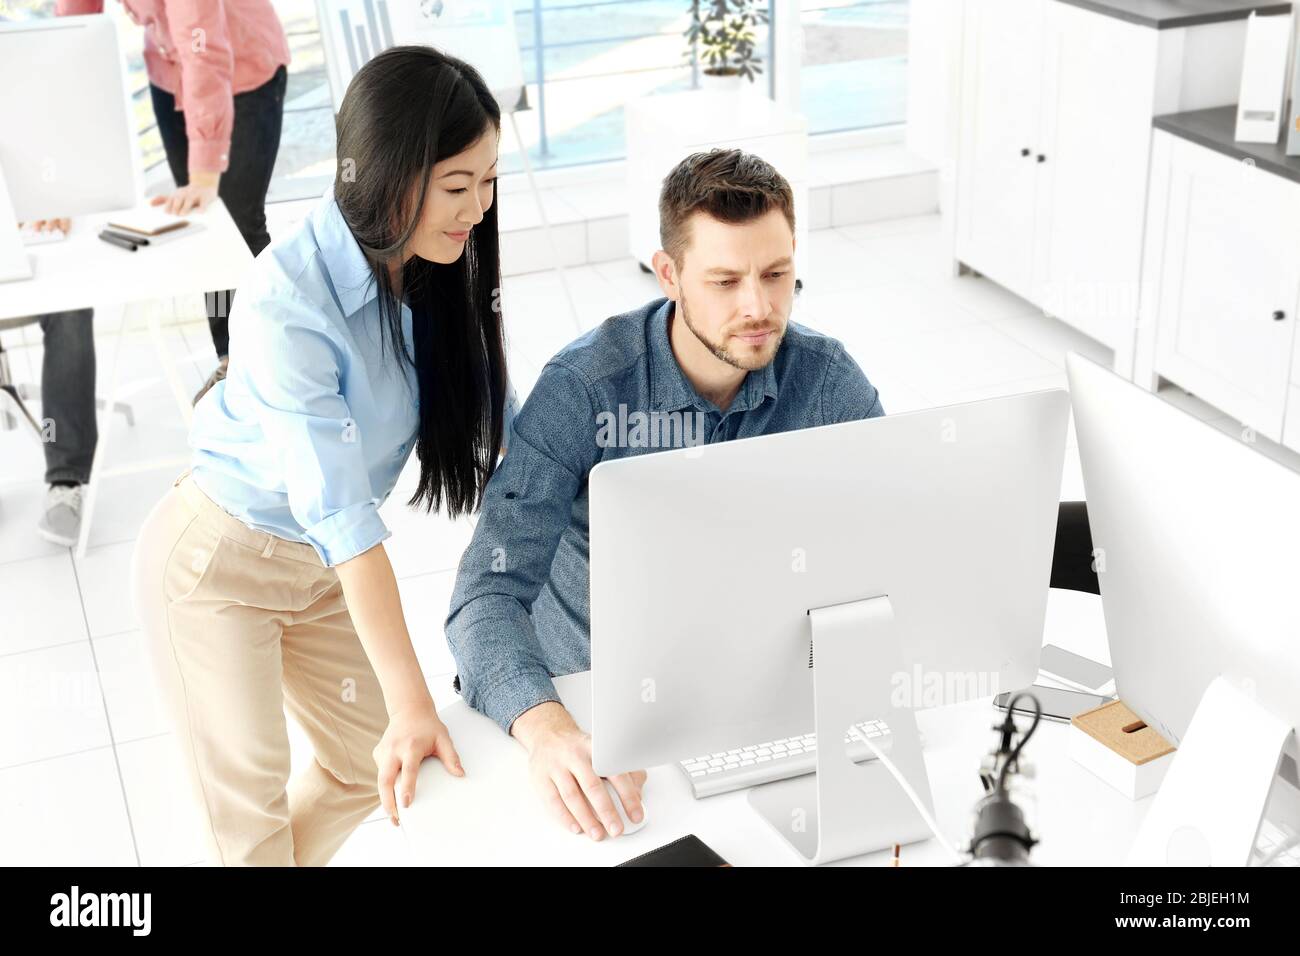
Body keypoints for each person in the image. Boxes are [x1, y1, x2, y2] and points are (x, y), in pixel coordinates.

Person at [131, 47, 509, 866]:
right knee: (249, 826)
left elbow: (502, 422)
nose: (477, 209)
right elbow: (345, 518)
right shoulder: (287, 299)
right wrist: (416, 700)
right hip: (217, 569)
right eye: (457, 187)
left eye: (488, 182)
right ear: (389, 175)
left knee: (366, 767)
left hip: (314, 573)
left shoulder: (431, 270)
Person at [444, 149, 885, 842]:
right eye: (725, 280)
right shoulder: (586, 389)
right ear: (669, 274)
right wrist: (550, 730)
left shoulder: (827, 381)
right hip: (599, 708)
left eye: (777, 274)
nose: (759, 307)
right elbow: (484, 598)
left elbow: (888, 543)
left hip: (756, 696)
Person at [56, 0, 292, 402]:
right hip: (169, 72)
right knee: (210, 234)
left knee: (235, 224)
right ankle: (231, 360)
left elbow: (204, 53)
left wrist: (203, 174)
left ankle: (282, 361)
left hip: (242, 69)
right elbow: (73, 38)